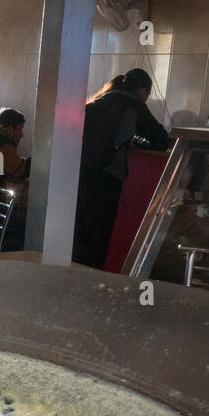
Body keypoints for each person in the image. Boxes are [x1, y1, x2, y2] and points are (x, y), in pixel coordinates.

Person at [74, 67, 169, 269]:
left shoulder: (99, 101)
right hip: (108, 179)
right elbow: (161, 140)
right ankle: (89, 285)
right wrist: (138, 141)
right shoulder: (133, 106)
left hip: (80, 174)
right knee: (99, 238)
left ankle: (72, 281)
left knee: (79, 235)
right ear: (143, 91)